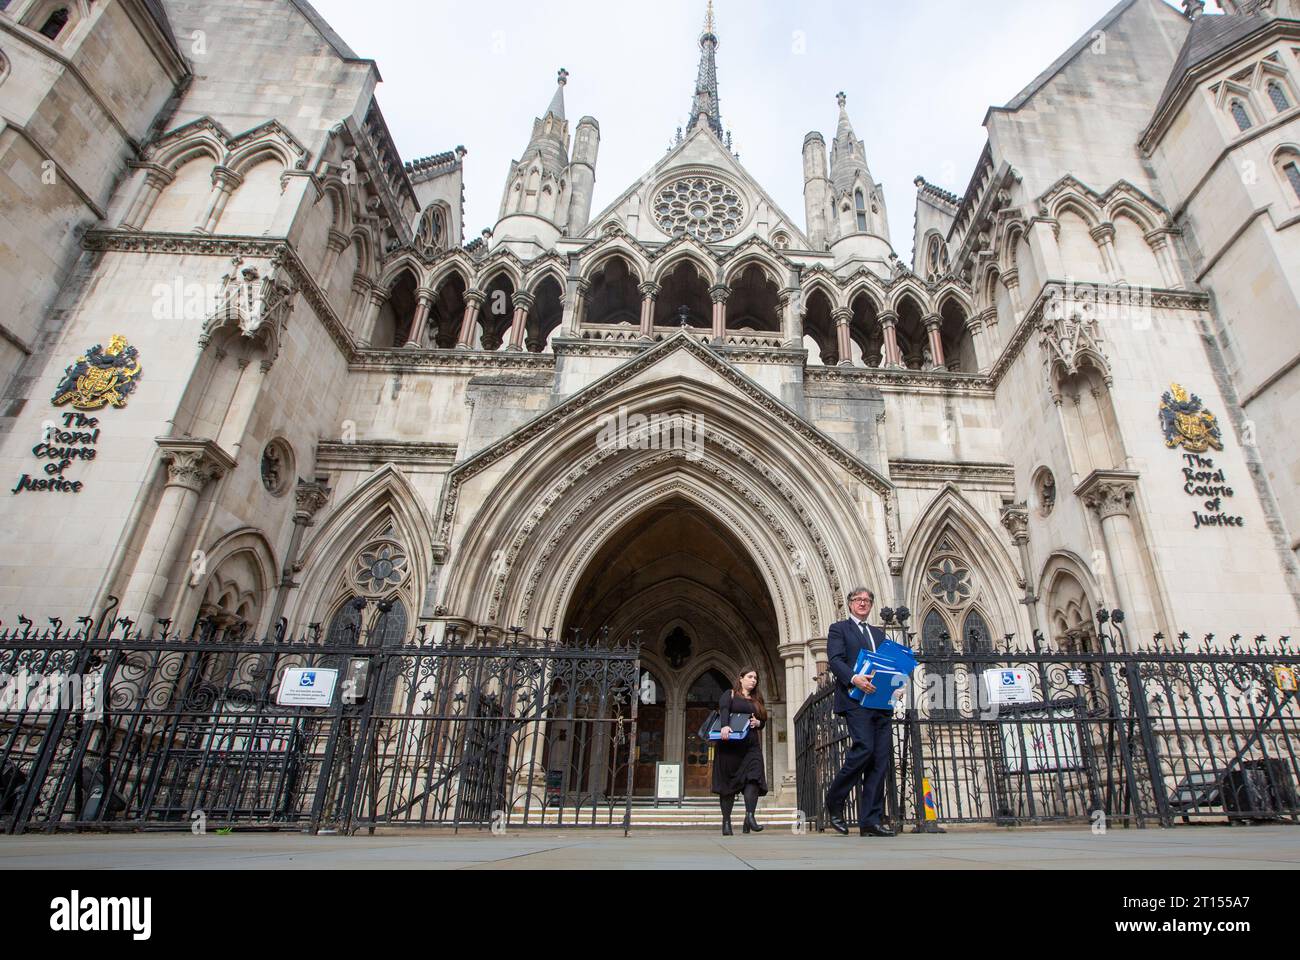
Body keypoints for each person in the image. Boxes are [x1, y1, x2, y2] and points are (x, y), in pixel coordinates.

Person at [824, 587, 897, 837]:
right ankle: (835, 798)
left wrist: (897, 686)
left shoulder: (879, 634)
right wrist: (854, 678)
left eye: (867, 600)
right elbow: (835, 660)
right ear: (850, 604)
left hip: (880, 702)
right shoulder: (839, 629)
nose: (863, 603)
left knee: (879, 760)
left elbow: (888, 666)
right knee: (864, 748)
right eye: (858, 599)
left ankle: (870, 821)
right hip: (855, 699)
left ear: (871, 604)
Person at [712, 666, 768, 836]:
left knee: (754, 778)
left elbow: (763, 719)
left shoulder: (757, 699)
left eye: (755, 678)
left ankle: (750, 816)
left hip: (751, 745)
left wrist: (758, 723)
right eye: (750, 677)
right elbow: (724, 710)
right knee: (727, 785)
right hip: (729, 745)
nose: (753, 680)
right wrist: (724, 726)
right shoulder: (729, 694)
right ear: (741, 678)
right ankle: (726, 822)